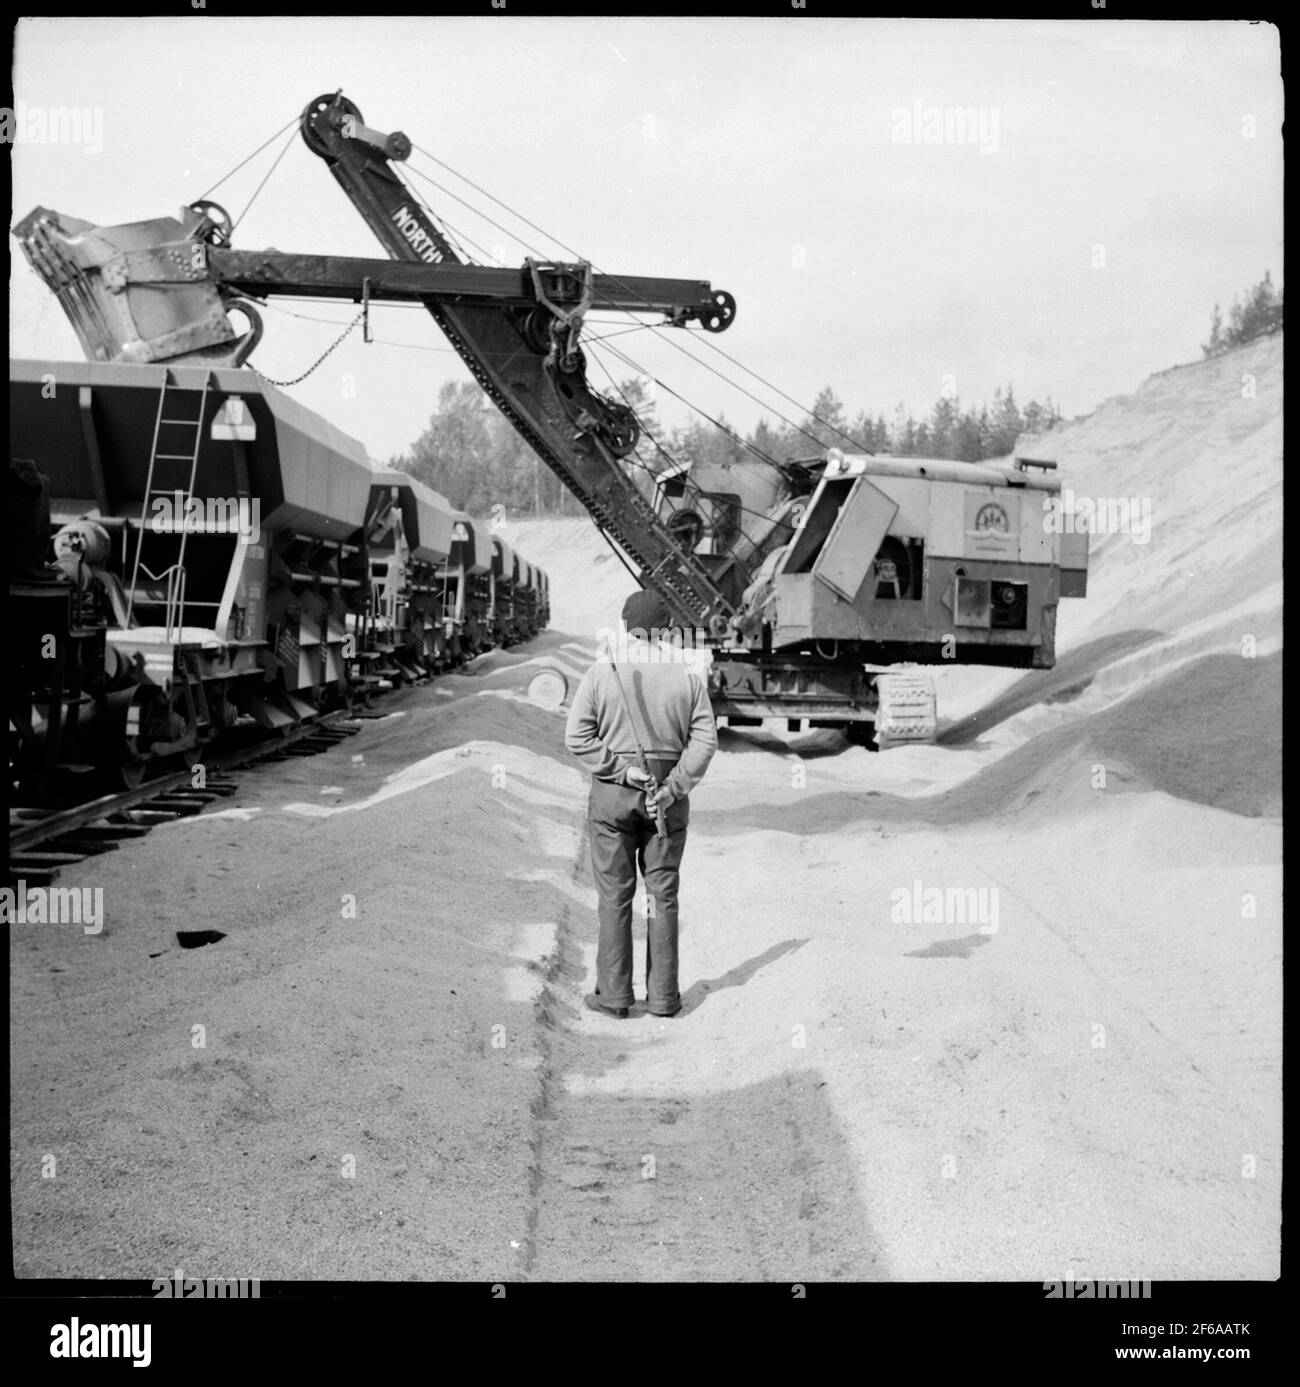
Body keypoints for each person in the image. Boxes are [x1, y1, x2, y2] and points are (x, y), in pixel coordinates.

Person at [564, 589, 717, 1019]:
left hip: (614, 797)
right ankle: (664, 998)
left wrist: (618, 769)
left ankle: (614, 997)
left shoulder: (602, 671)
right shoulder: (687, 676)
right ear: (667, 630)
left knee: (614, 896)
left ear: (624, 627)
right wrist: (674, 786)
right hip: (666, 800)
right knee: (662, 896)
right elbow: (706, 740)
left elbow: (576, 736)